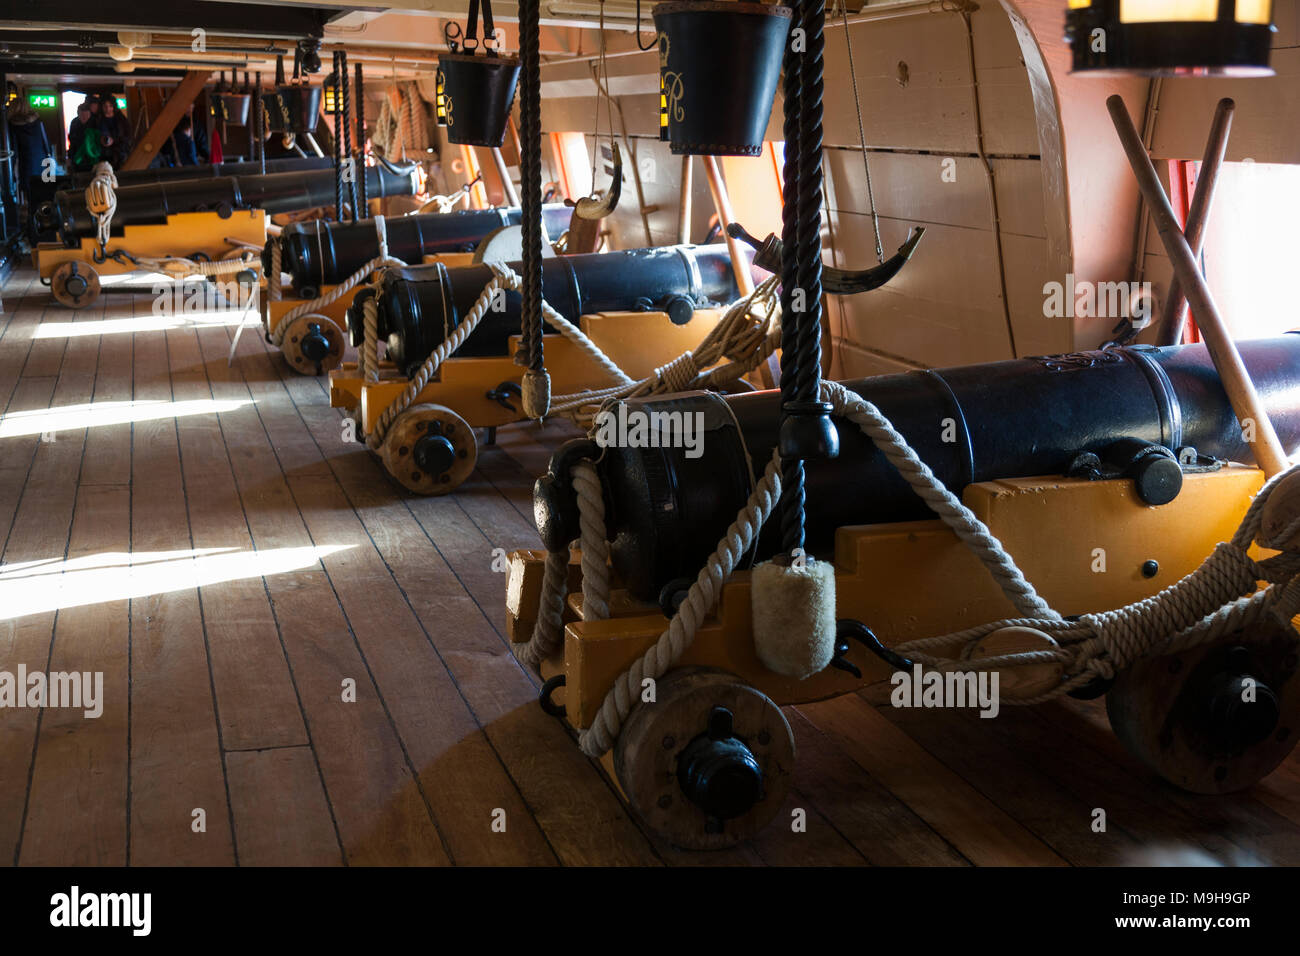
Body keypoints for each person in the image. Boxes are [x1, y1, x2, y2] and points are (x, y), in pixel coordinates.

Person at [8, 101, 52, 205]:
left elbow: (13, 150)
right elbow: (47, 143)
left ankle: (31, 218)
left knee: (29, 198)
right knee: (44, 194)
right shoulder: (38, 122)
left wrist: (12, 175)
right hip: (43, 163)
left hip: (25, 166)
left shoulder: (12, 126)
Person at [96, 97, 131, 168]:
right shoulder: (98, 120)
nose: (108, 109)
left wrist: (115, 140)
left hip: (120, 152)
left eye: (110, 106)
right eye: (105, 106)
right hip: (104, 154)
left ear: (113, 107)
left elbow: (127, 136)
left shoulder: (121, 119)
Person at [68, 103, 99, 172]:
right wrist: (70, 157)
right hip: (77, 158)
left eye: (86, 115)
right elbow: (72, 142)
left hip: (92, 158)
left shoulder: (95, 122)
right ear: (78, 114)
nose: (84, 117)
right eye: (81, 115)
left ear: (90, 114)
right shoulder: (74, 123)